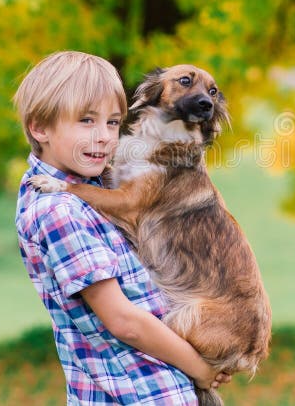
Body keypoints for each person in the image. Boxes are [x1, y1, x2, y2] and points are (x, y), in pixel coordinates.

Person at [13, 51, 230, 404]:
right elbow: (124, 321)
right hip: (139, 394)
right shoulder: (60, 210)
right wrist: (201, 370)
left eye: (113, 123)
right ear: (40, 127)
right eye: (86, 121)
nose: (103, 137)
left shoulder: (93, 187)